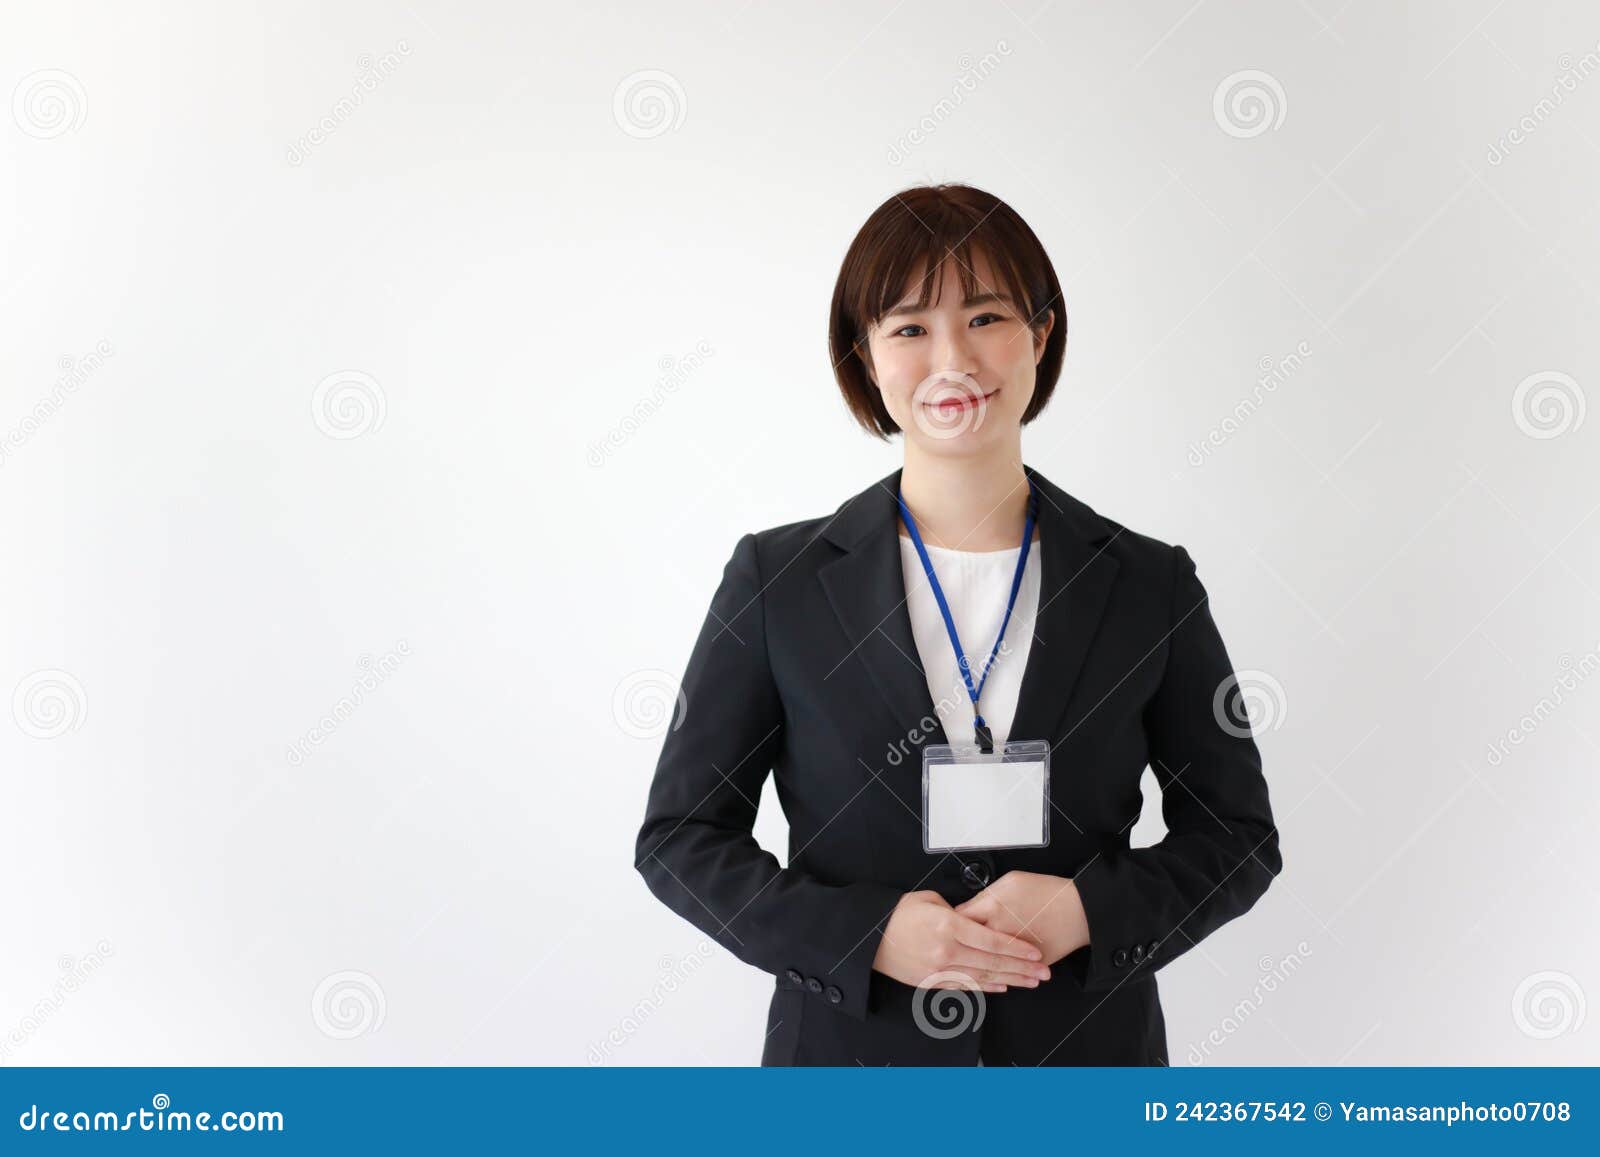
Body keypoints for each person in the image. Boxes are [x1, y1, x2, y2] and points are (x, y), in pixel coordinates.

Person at [634, 183, 1282, 1066]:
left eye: (985, 317)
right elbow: (680, 839)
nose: (952, 359)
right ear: (864, 355)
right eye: (908, 328)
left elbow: (1237, 837)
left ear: (1041, 334)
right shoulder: (775, 581)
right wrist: (868, 933)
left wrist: (1086, 911)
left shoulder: (1149, 582)